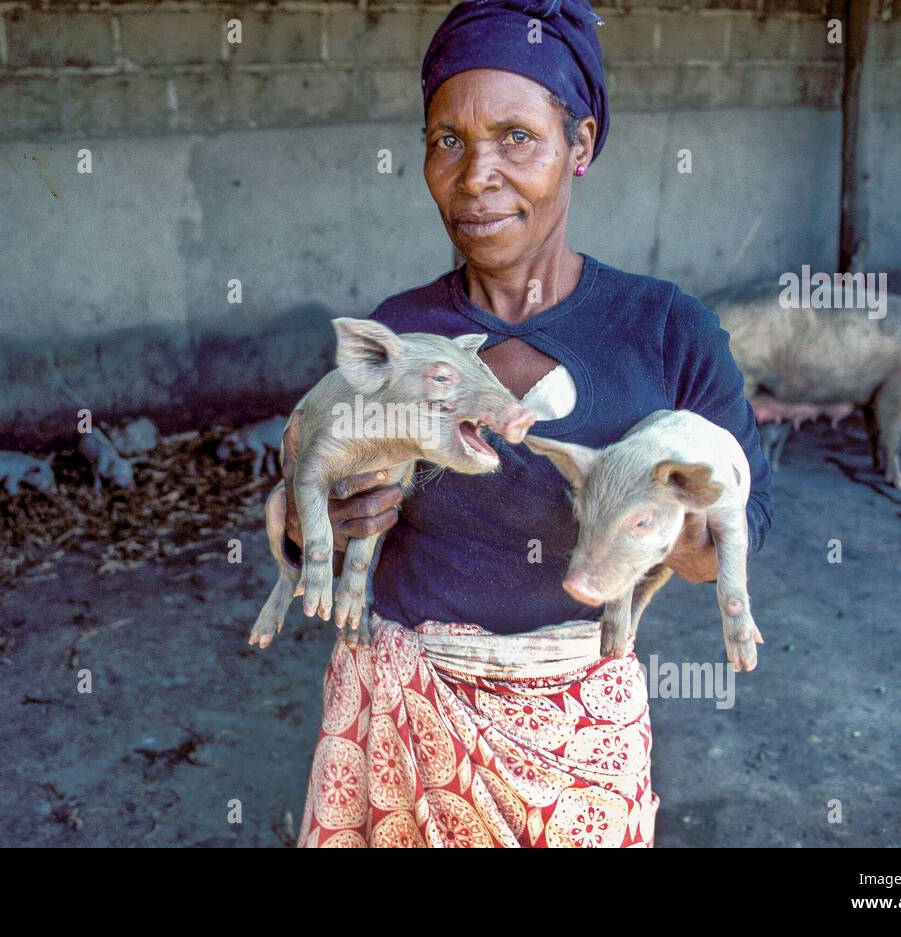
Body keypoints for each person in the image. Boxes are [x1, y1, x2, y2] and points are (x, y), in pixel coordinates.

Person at [276, 0, 773, 847]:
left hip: (582, 733)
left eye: (516, 137)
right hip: (401, 717)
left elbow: (740, 529)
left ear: (579, 146)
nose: (476, 177)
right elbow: (305, 492)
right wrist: (310, 517)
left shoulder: (664, 327)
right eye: (448, 141)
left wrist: (664, 510)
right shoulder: (403, 334)